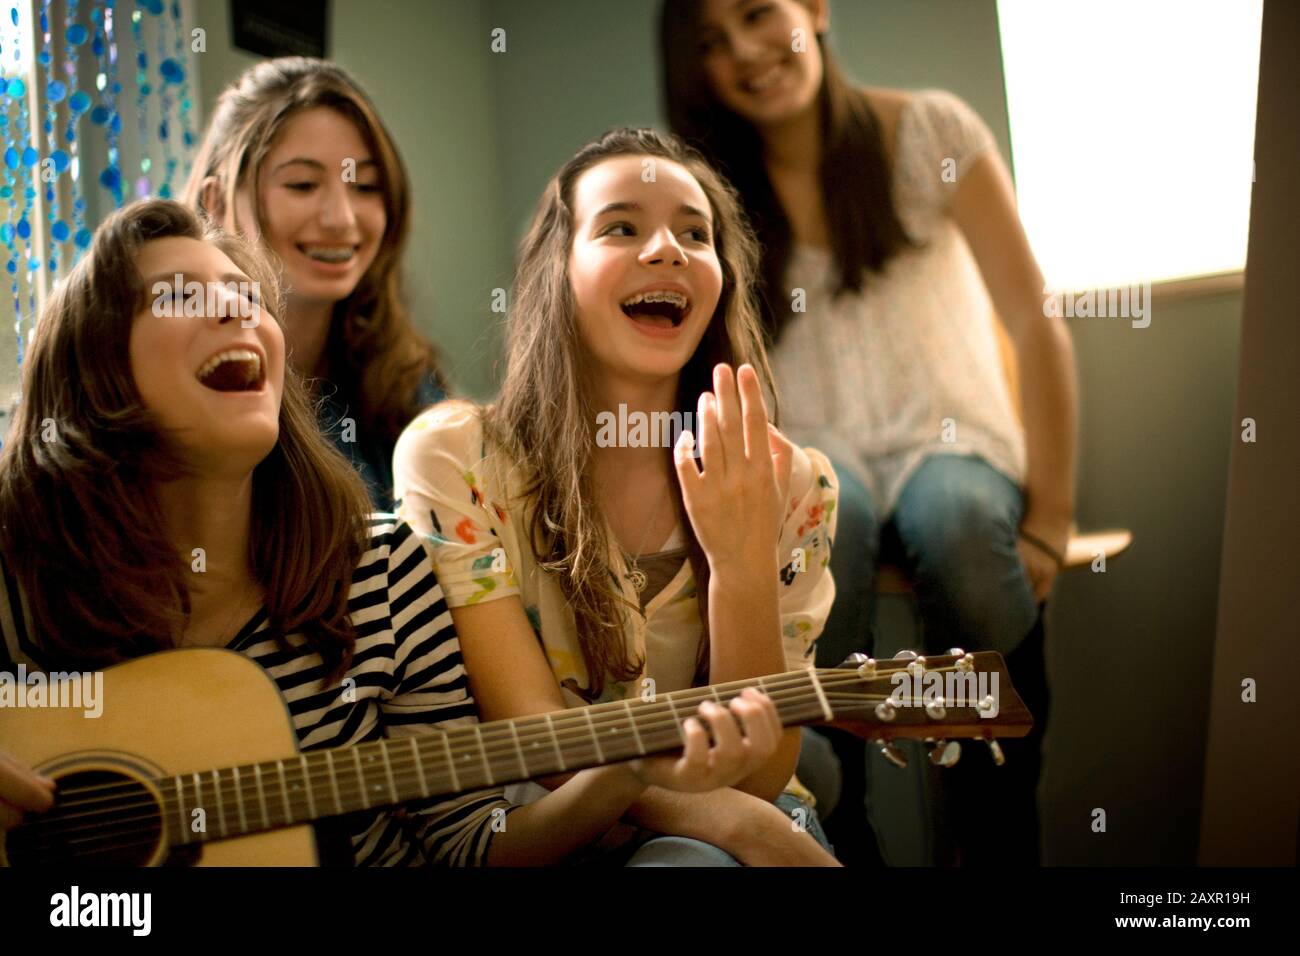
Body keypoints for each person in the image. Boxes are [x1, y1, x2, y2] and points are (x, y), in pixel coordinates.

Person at [0, 199, 788, 866]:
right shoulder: (17, 574)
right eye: (179, 296)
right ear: (96, 367)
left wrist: (622, 773)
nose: (237, 309)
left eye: (246, 295)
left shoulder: (378, 568)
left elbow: (472, 843)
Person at [661, 0, 1078, 864]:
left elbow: (1035, 321)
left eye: (756, 14)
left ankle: (994, 833)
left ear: (814, 7)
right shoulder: (711, 198)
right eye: (710, 42)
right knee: (831, 515)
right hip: (819, 460)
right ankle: (833, 833)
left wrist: (1054, 516)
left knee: (958, 522)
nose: (744, 51)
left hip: (953, 442)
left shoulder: (929, 132)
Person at [393, 128, 841, 866]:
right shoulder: (454, 460)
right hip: (558, 828)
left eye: (695, 234)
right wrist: (739, 827)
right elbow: (538, 739)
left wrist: (738, 565)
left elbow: (760, 774)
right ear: (556, 276)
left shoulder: (794, 487)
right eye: (621, 227)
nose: (667, 249)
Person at [183, 57, 446, 511]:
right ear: (216, 202)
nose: (341, 220)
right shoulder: (180, 383)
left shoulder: (406, 383)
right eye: (303, 185)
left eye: (364, 186)